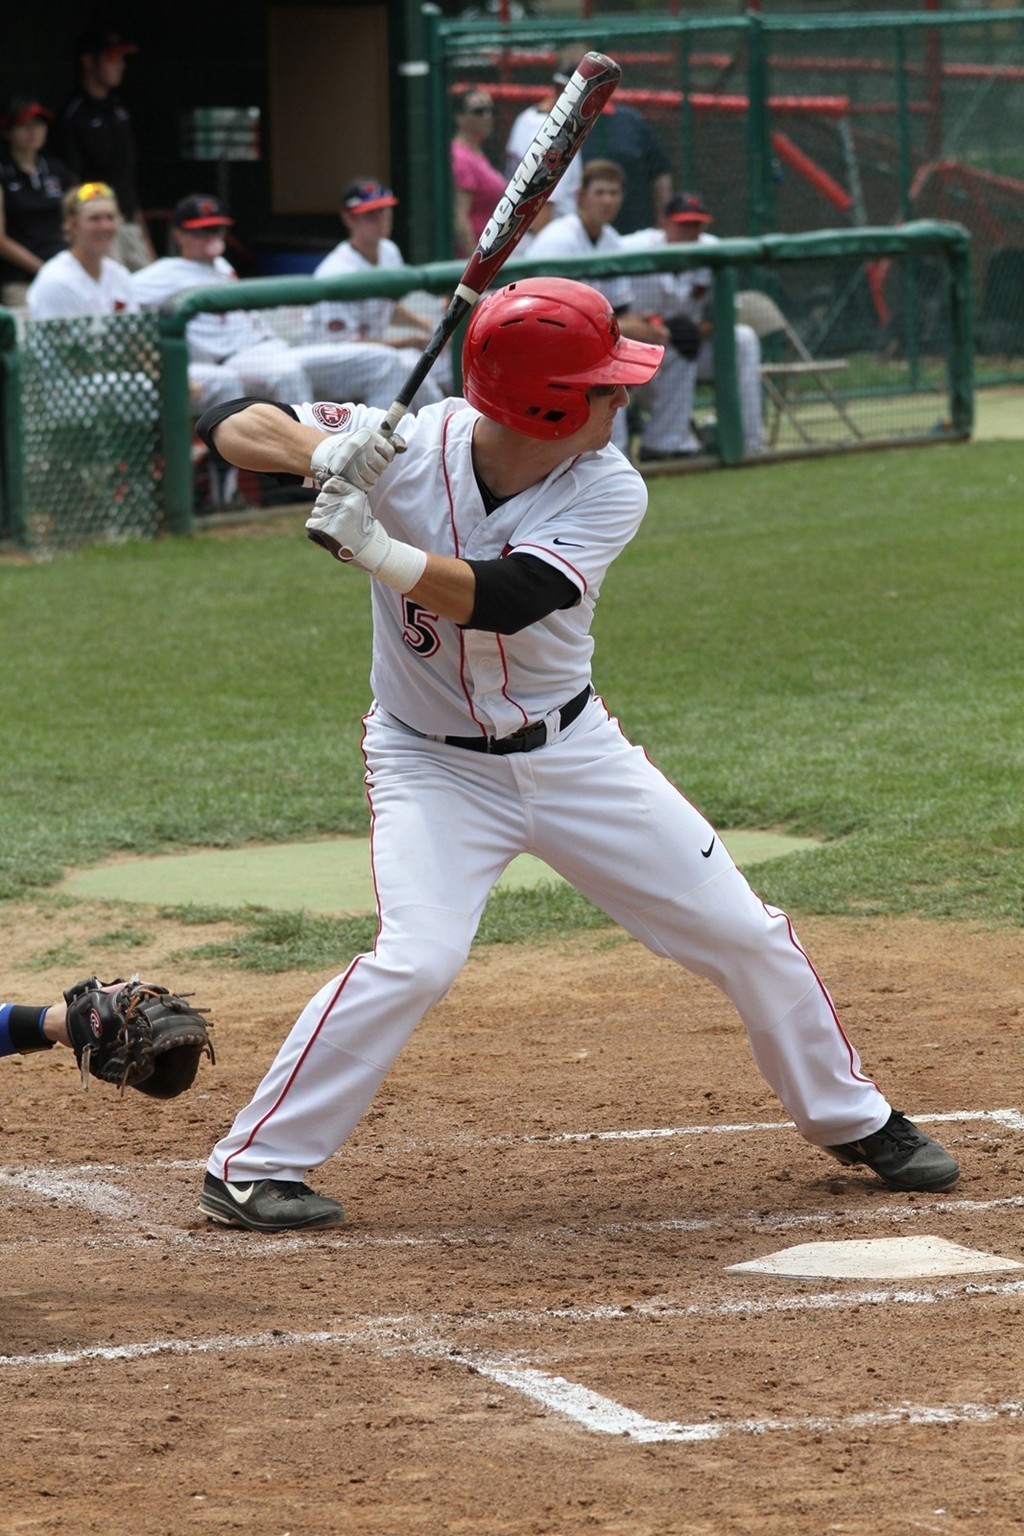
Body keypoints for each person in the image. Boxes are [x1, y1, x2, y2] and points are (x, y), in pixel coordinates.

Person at [193, 275, 960, 1232]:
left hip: (574, 755)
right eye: (602, 383)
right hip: (430, 764)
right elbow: (227, 414)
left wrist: (375, 550)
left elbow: (510, 595)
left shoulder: (608, 484)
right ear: (543, 402)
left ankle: (851, 1117)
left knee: (745, 934)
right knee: (417, 959)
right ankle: (253, 1165)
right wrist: (325, 449)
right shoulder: (412, 443)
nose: (623, 395)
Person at [129, 194, 413, 412]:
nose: (212, 237)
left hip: (275, 347)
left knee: (384, 362)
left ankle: (375, 460)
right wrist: (146, 352)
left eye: (216, 229)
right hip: (235, 360)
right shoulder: (164, 272)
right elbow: (119, 298)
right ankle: (310, 476)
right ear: (178, 235)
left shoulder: (221, 264)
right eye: (201, 231)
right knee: (286, 374)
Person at [527, 160, 668, 451]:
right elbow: (547, 316)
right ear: (581, 197)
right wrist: (630, 327)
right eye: (600, 192)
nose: (607, 200)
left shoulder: (611, 241)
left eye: (614, 193)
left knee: (655, 359)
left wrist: (648, 327)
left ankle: (662, 444)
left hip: (585, 349)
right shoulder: (558, 239)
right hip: (539, 346)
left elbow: (621, 309)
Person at [621, 192, 765, 461]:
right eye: (683, 224)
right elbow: (613, 308)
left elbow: (724, 314)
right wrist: (657, 330)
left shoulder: (711, 249)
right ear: (664, 223)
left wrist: (693, 330)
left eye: (696, 225)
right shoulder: (629, 248)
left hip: (683, 349)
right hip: (637, 350)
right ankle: (663, 442)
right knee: (678, 346)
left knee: (742, 339)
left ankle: (748, 442)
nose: (690, 232)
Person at [302, 177, 447, 407]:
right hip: (327, 362)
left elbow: (387, 306)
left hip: (372, 354)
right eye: (371, 214)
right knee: (399, 364)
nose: (381, 219)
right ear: (349, 219)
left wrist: (429, 328)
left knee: (439, 361)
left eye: (383, 211)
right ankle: (383, 437)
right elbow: (348, 343)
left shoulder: (389, 251)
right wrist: (409, 341)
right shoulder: (335, 271)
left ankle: (446, 424)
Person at [56, 26, 154, 271]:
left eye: (121, 59)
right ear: (89, 62)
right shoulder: (73, 114)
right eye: (112, 58)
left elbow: (127, 179)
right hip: (99, 228)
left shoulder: (119, 110)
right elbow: (72, 184)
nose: (120, 65)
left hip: (130, 226)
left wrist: (145, 238)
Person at [0, 95, 75, 308]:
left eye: (38, 124)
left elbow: (77, 218)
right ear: (7, 131)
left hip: (64, 275)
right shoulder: (3, 174)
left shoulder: (58, 171)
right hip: (21, 280)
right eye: (24, 125)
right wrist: (44, 269)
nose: (33, 131)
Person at [26, 181, 134, 317]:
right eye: (95, 219)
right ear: (72, 225)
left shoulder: (120, 275)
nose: (105, 226)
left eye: (110, 218)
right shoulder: (55, 280)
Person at [451, 88, 506, 259]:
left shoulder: (477, 152)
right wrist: (474, 266)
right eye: (479, 111)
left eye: (491, 110)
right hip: (472, 259)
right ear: (460, 117)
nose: (487, 116)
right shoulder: (460, 157)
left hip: (489, 253)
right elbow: (460, 219)